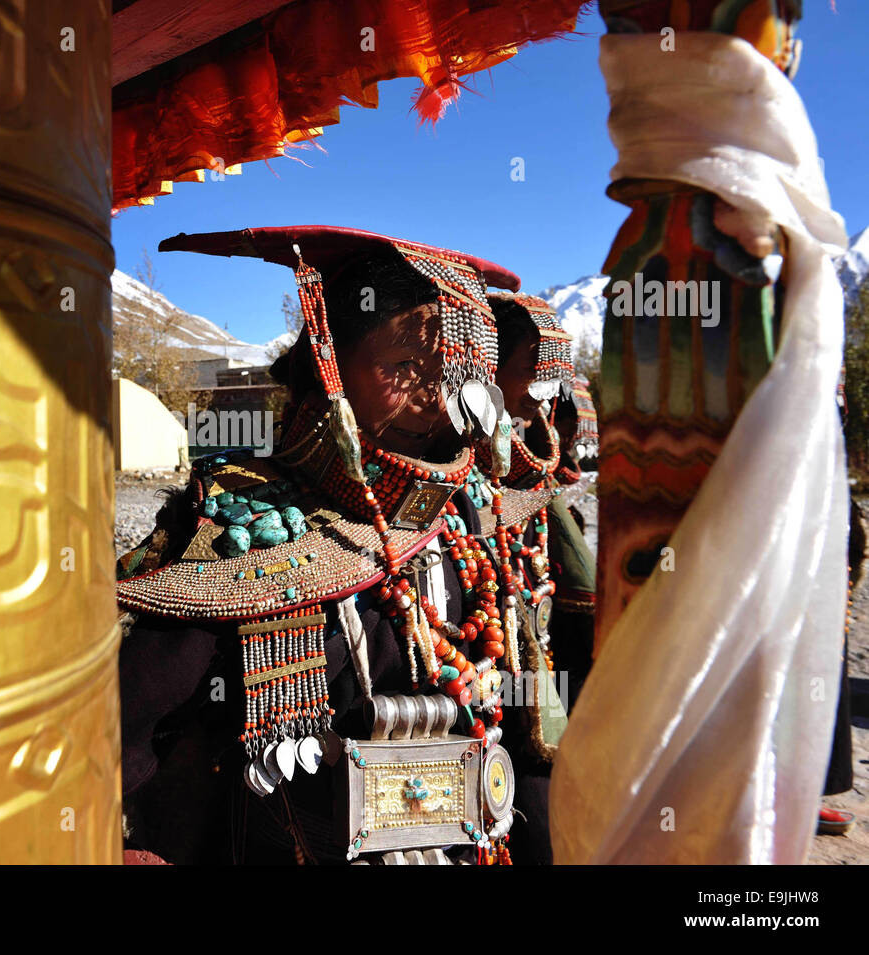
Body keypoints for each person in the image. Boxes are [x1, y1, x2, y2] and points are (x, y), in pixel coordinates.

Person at [116, 226, 565, 864]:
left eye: (452, 369)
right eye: (405, 364)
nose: (435, 393)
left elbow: (534, 728)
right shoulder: (245, 533)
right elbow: (119, 739)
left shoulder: (482, 522)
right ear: (332, 368)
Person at [481, 294, 596, 709]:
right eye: (531, 373)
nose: (542, 397)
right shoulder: (456, 480)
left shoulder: (534, 476)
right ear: (489, 369)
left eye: (549, 380)